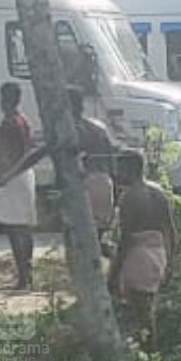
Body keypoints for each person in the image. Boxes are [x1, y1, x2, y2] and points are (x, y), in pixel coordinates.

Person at [107, 150, 176, 350]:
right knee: (146, 306)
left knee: (142, 311)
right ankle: (146, 351)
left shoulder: (128, 197)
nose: (117, 173)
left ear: (129, 169)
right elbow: (171, 231)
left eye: (120, 168)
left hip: (139, 255)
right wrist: (170, 262)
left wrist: (114, 272)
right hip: (159, 252)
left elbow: (126, 239)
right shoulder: (159, 192)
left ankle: (149, 355)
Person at [0, 82, 39, 291]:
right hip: (24, 175)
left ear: (6, 99)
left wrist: (3, 178)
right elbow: (22, 153)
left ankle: (23, 276)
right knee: (24, 227)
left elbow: (10, 156)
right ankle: (26, 273)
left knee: (14, 229)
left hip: (14, 178)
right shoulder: (23, 121)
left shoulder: (9, 124)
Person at [70, 88, 119, 252]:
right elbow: (112, 155)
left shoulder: (71, 130)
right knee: (98, 230)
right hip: (104, 180)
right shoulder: (99, 127)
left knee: (84, 236)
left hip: (85, 181)